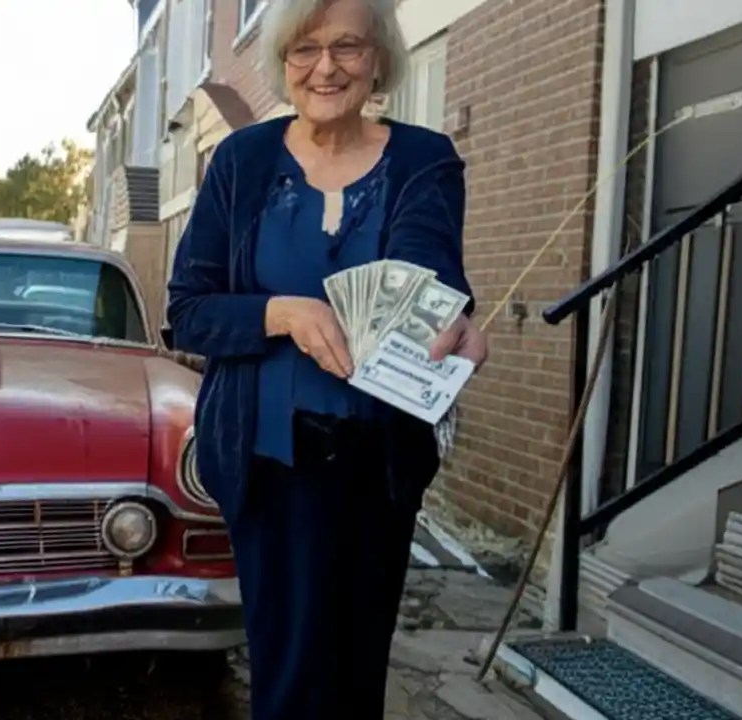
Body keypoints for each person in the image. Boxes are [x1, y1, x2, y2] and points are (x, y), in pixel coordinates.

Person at [164, 0, 489, 717]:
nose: (326, 66)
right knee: (287, 677)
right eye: (304, 49)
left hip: (379, 459)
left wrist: (456, 320)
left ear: (378, 59)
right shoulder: (242, 162)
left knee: (355, 674)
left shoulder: (423, 159)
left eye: (347, 46)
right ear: (283, 63)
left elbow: (430, 269)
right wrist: (280, 312)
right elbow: (187, 311)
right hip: (268, 459)